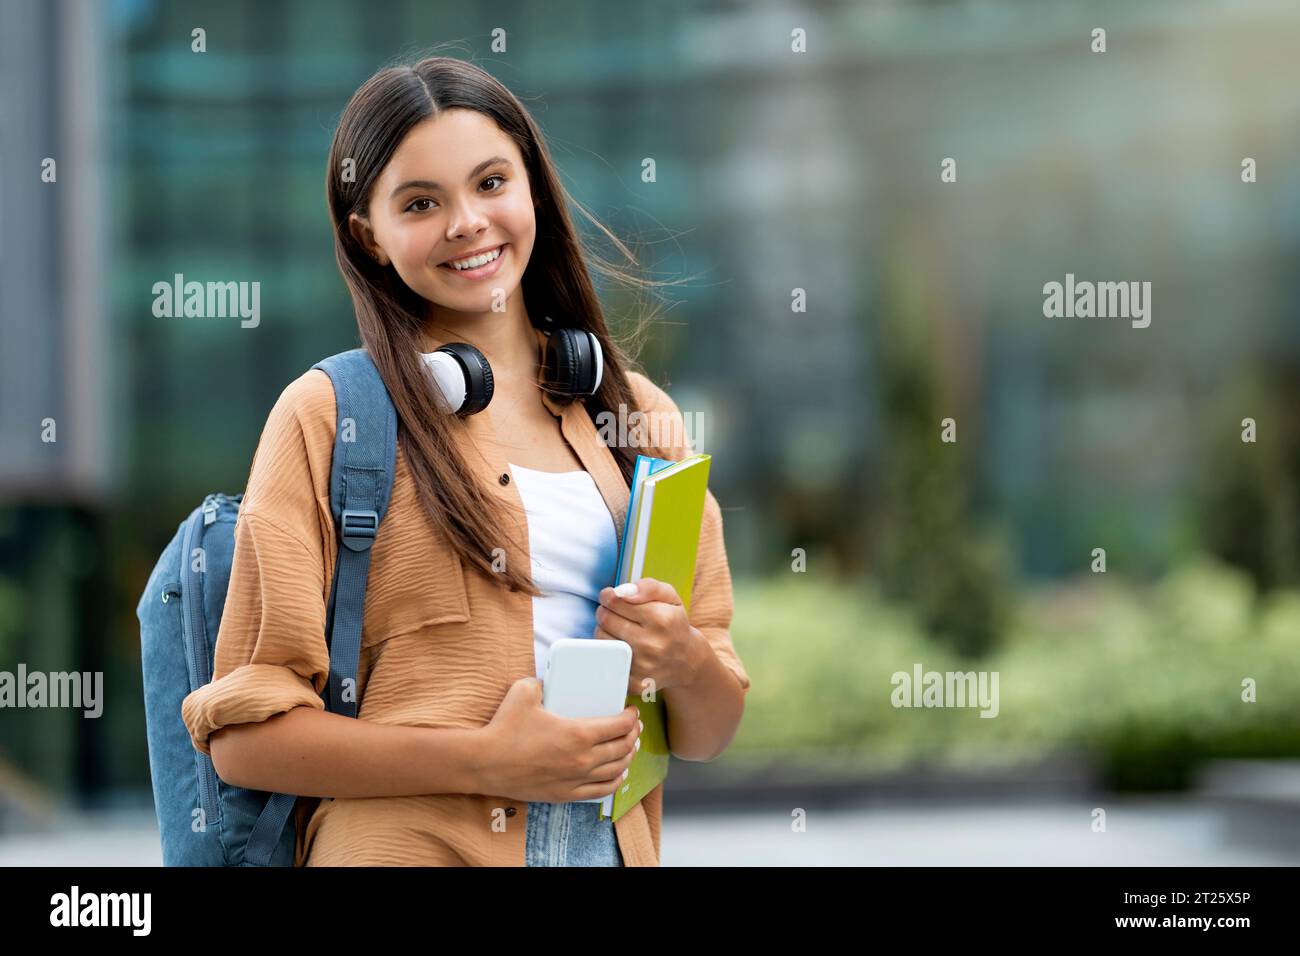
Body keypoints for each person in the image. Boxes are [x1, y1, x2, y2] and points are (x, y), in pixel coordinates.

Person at [180, 54, 751, 866]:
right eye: (421, 202)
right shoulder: (330, 416)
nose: (467, 223)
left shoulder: (638, 418)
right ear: (368, 235)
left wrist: (681, 656)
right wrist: (489, 761)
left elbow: (709, 730)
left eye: (490, 183)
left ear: (534, 194)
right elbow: (245, 741)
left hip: (603, 845)